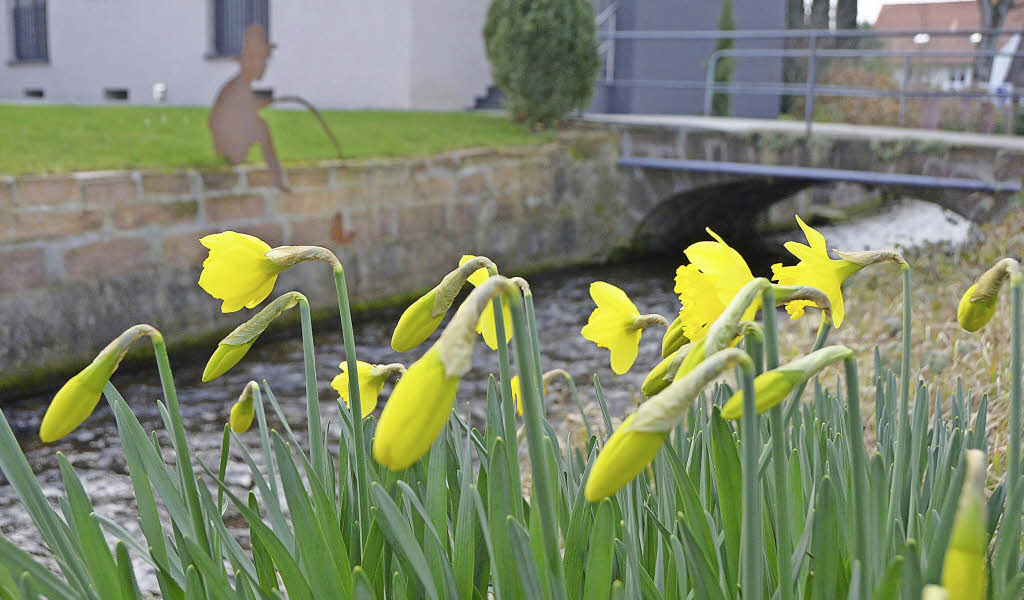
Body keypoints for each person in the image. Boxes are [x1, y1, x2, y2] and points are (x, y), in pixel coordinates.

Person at [209, 24, 289, 191]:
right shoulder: (236, 88)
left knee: (260, 125)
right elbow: (217, 120)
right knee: (261, 127)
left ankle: (279, 181)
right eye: (262, 59)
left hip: (232, 144)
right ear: (249, 60)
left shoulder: (241, 87)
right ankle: (279, 183)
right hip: (229, 149)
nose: (265, 65)